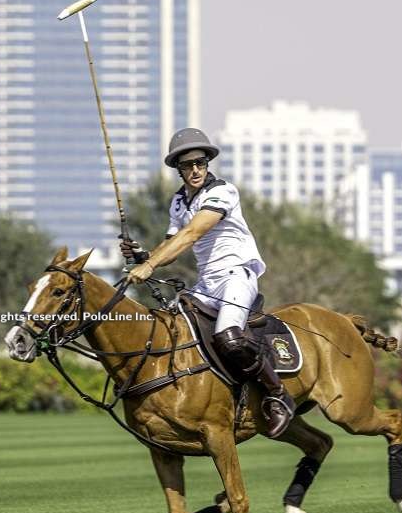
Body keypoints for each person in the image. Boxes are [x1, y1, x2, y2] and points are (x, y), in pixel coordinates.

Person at [124, 127, 295, 437]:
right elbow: (171, 247)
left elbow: (192, 234)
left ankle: (278, 395)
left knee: (229, 336)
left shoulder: (222, 191)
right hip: (205, 284)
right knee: (174, 332)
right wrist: (143, 255)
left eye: (200, 163)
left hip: (236, 277)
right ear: (178, 168)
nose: (195, 170)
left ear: (207, 163)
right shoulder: (178, 202)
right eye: (188, 165)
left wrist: (149, 265)